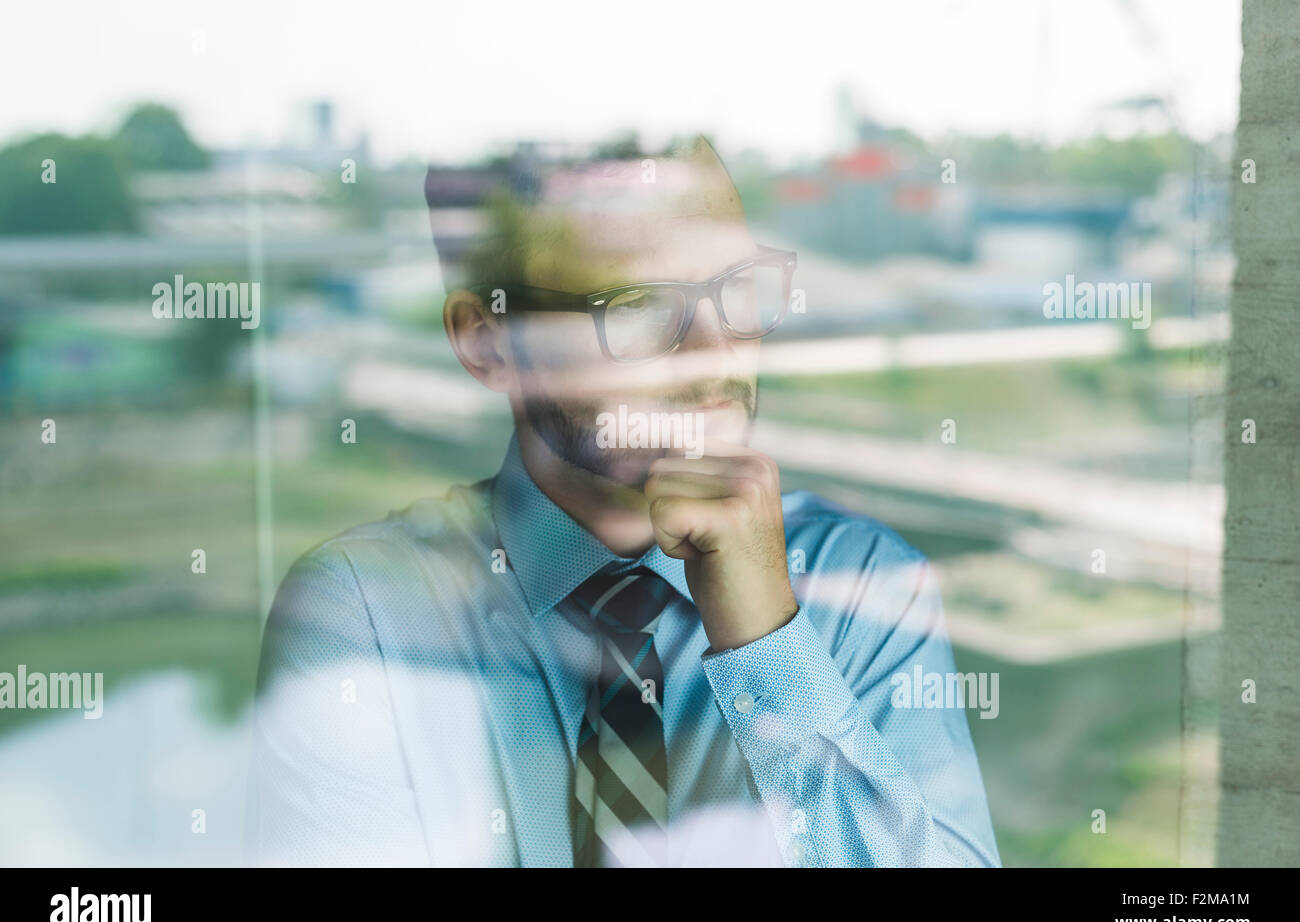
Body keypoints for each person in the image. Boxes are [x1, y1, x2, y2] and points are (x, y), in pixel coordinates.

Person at [245, 136, 1000, 867]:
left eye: (738, 288)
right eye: (638, 304)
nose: (715, 349)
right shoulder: (365, 614)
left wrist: (770, 642)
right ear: (488, 343)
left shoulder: (864, 585)